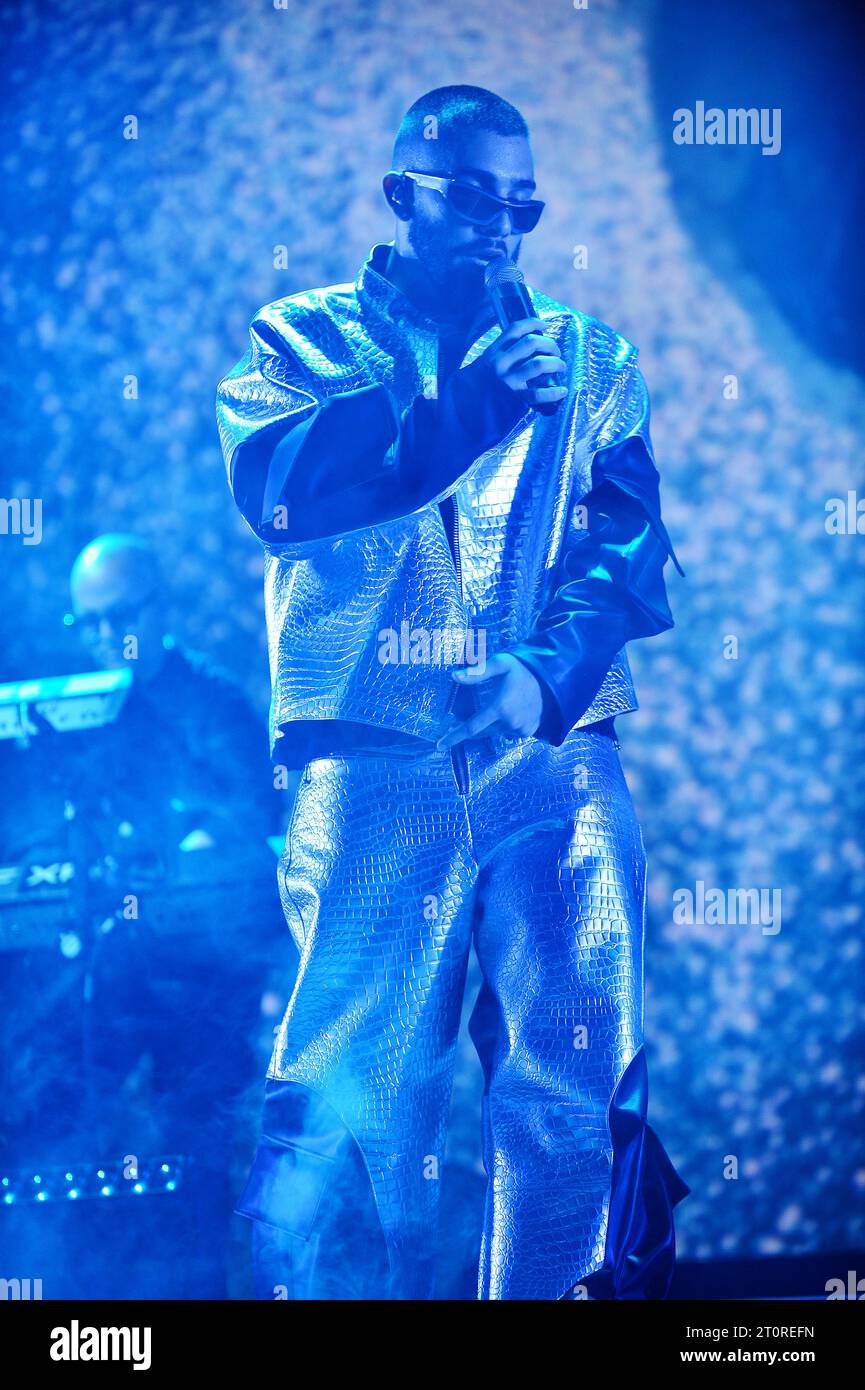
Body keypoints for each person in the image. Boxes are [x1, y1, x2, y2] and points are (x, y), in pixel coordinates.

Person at [217, 84, 689, 1301]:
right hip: (374, 760)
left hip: (557, 758)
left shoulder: (588, 357)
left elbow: (626, 550)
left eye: (520, 202)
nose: (501, 223)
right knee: (351, 1087)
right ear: (400, 196)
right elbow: (284, 499)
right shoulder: (297, 342)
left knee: (580, 1068)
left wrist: (543, 677)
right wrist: (468, 413)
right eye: (471, 196)